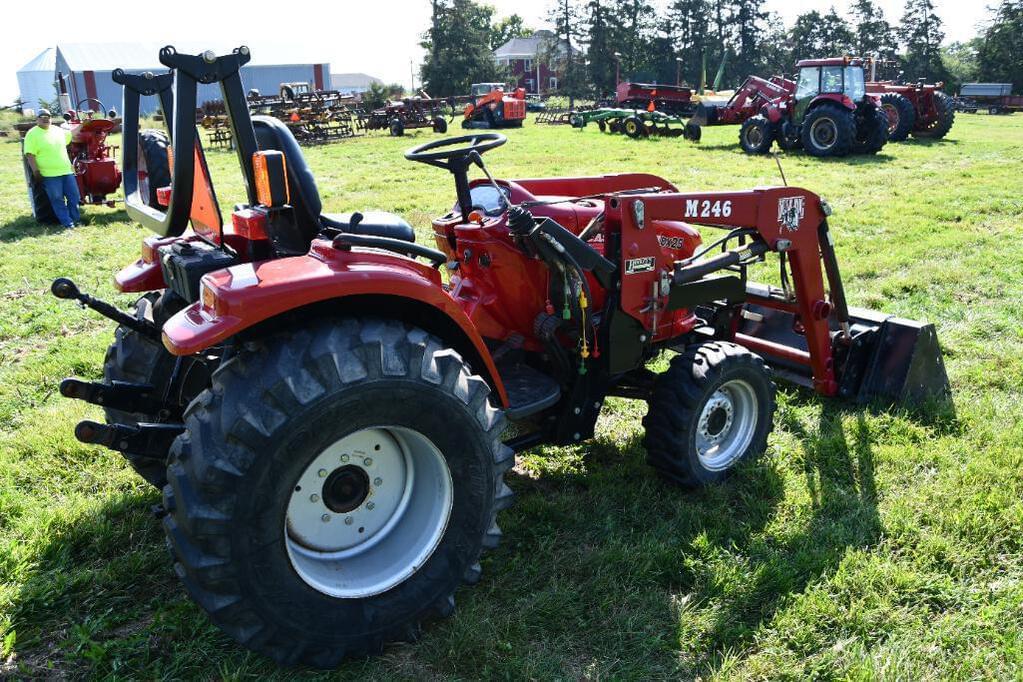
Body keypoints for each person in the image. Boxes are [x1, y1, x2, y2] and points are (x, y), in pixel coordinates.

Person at [23, 109, 81, 227]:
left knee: (74, 197)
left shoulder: (57, 130)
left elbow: (71, 134)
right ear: (37, 119)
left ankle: (75, 220)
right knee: (57, 199)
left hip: (66, 171)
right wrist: (35, 171)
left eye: (48, 116)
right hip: (49, 175)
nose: (45, 118)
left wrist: (84, 125)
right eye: (42, 116)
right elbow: (29, 154)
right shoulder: (32, 134)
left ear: (51, 118)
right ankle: (68, 223)